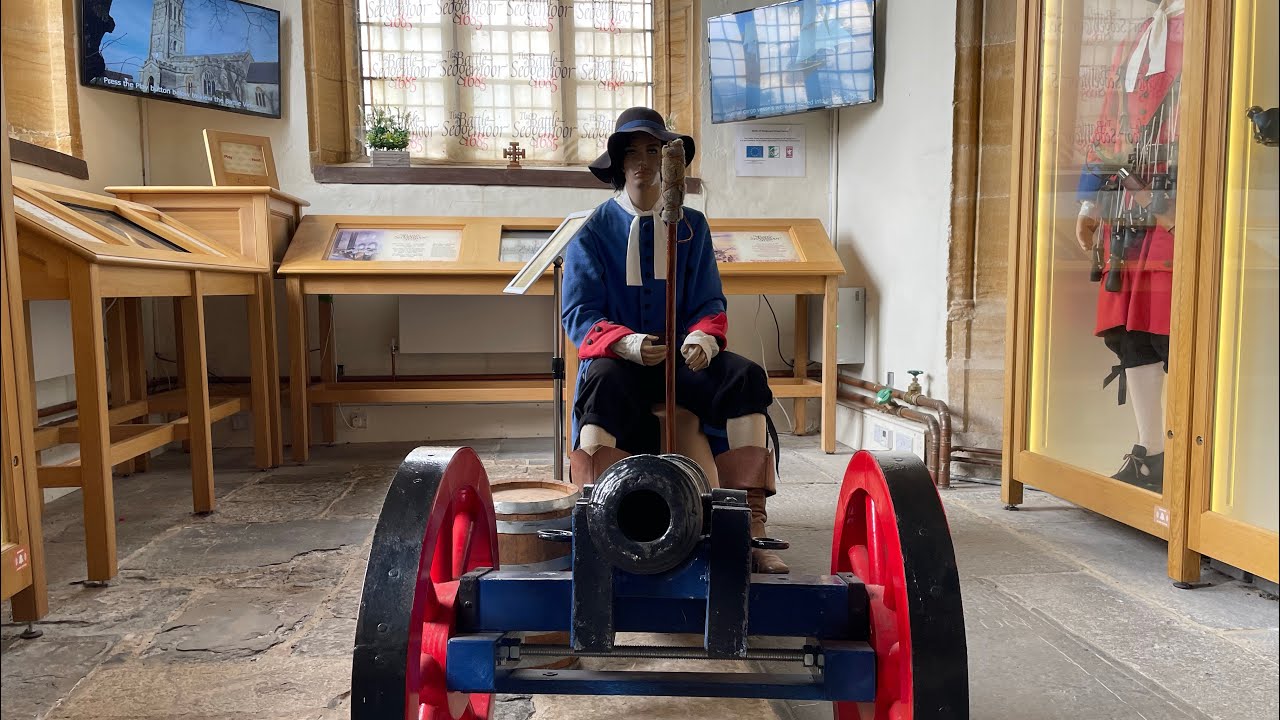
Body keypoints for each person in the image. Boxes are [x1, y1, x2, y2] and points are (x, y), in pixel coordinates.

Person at [562, 107, 788, 573]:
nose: (644, 161)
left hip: (682, 363)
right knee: (600, 386)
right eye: (633, 152)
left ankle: (748, 526)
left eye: (654, 149)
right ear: (619, 164)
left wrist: (704, 338)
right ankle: (598, 525)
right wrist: (625, 343)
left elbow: (710, 300)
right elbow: (579, 314)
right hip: (619, 362)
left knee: (743, 378)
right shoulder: (591, 233)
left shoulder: (693, 227)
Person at [1074, 0, 1182, 490]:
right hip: (1129, 209)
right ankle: (1151, 452)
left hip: (1178, 211)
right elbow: (1107, 126)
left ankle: (1188, 459)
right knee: (1131, 334)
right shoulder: (1134, 38)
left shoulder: (1211, 34)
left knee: (1175, 333)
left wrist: (1177, 205)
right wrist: (1089, 202)